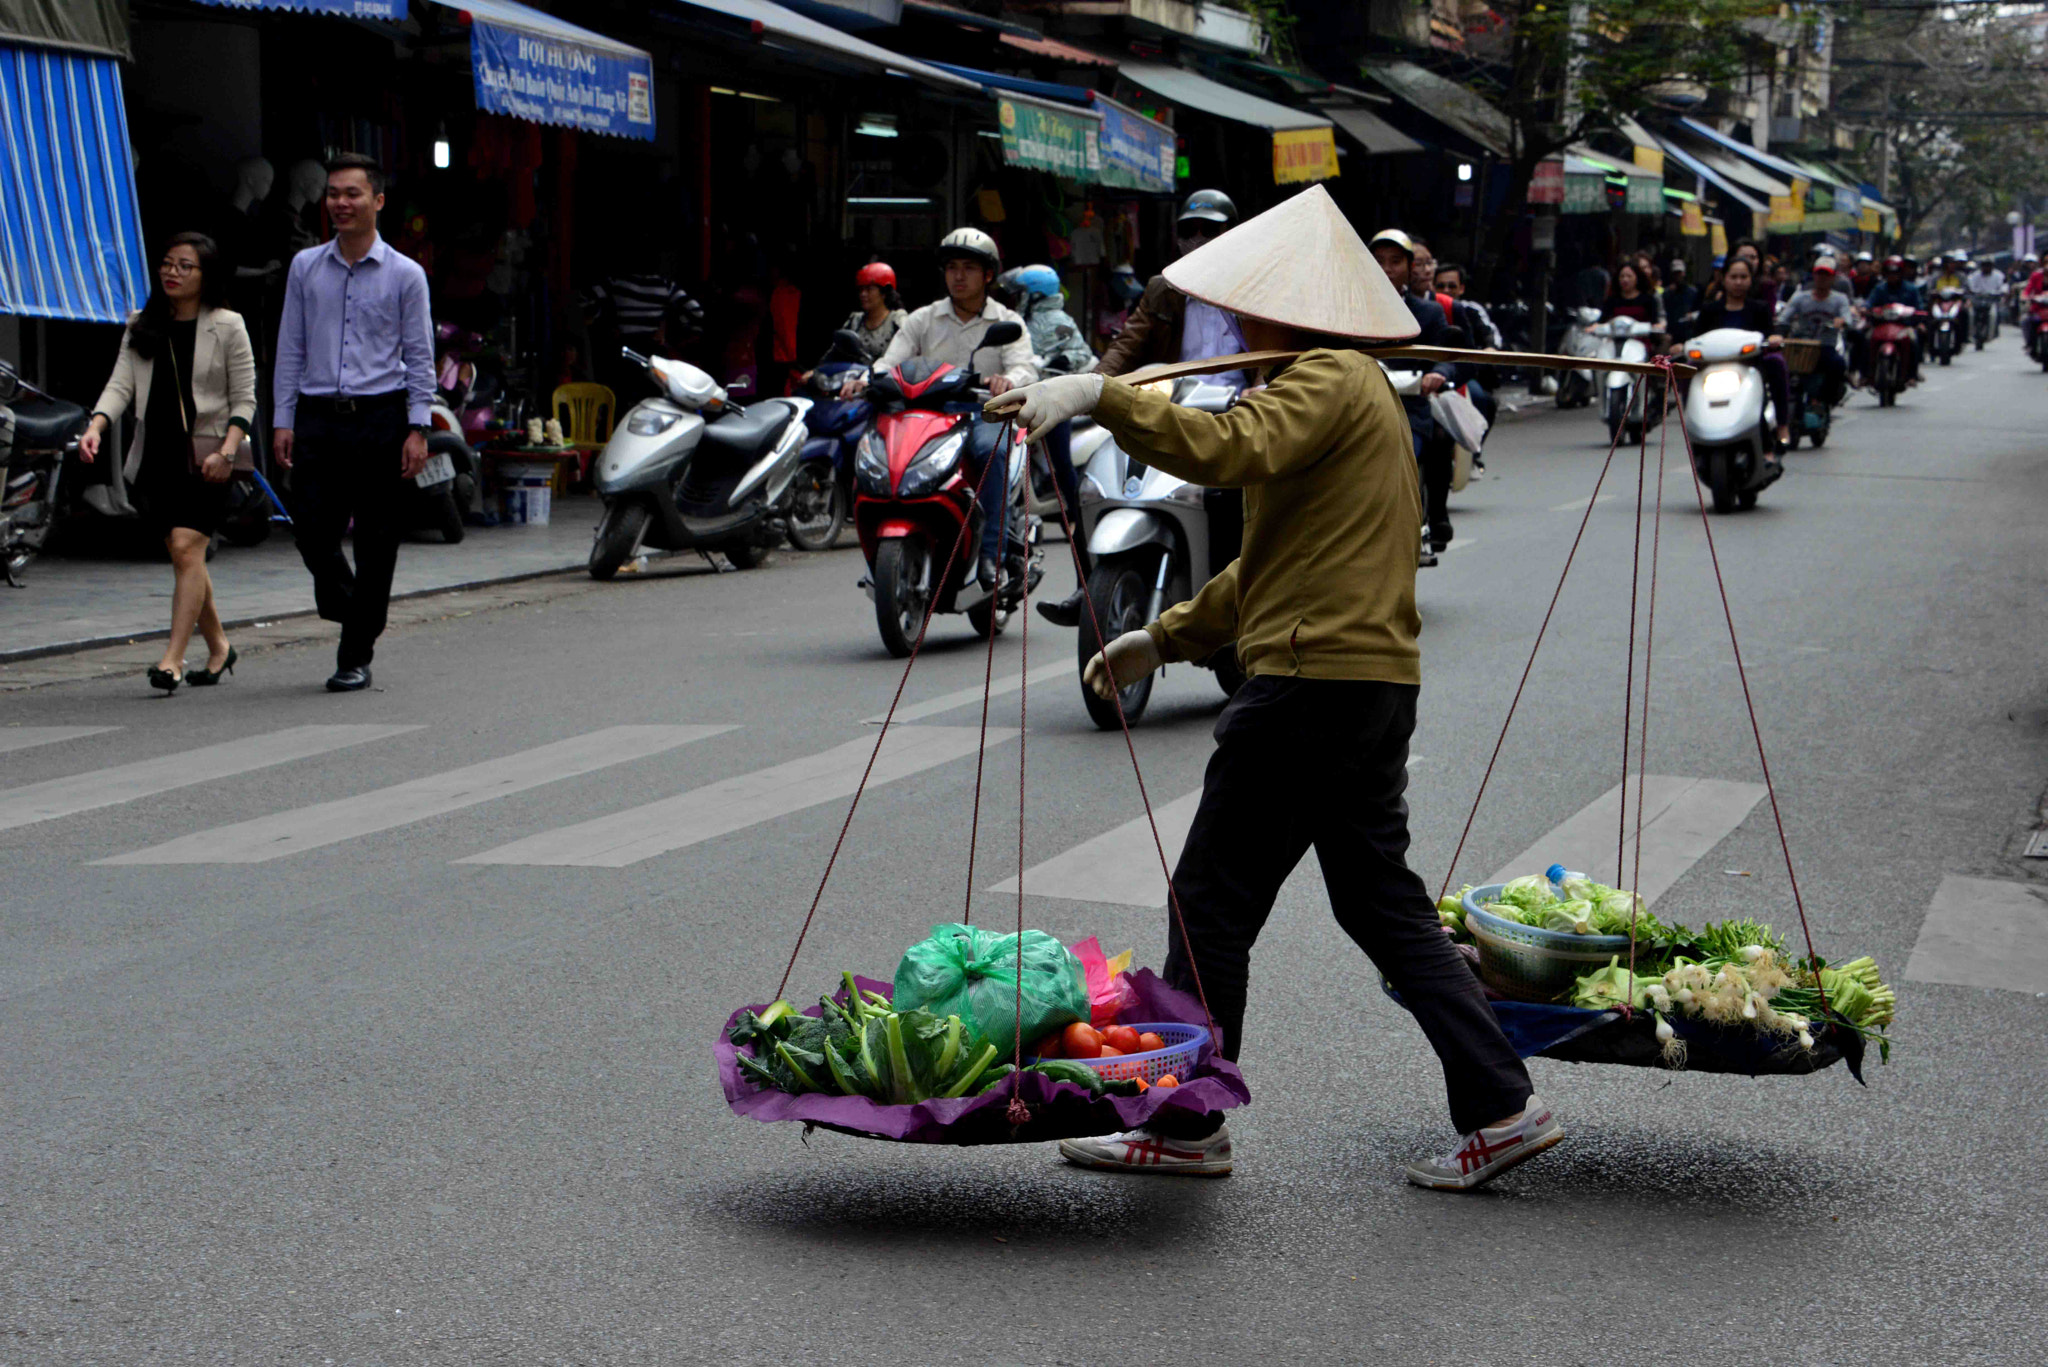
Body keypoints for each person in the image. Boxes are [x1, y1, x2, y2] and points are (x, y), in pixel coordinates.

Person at [985, 185, 1556, 1190]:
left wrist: (1100, 396)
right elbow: (1264, 568)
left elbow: (1221, 447)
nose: (1235, 324)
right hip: (1363, 686)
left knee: (1207, 901)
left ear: (1291, 308)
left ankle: (1185, 1118)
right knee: (1381, 905)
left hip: (1306, 687)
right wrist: (1156, 639)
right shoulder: (1344, 389)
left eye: (1250, 305)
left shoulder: (1326, 376)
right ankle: (1500, 1102)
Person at [272, 153, 436, 693]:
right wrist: (283, 418)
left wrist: (418, 428)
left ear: (378, 201)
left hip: (381, 419)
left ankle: (354, 653)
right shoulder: (305, 267)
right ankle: (358, 612)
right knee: (311, 533)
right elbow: (290, 346)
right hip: (318, 418)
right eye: (334, 194)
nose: (340, 203)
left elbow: (419, 354)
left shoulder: (406, 275)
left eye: (352, 194)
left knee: (376, 539)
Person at [78, 233, 256, 694]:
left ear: (206, 275)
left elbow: (245, 399)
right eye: (167, 264)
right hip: (156, 457)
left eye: (185, 266)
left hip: (208, 457)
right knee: (187, 558)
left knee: (184, 546)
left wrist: (229, 449)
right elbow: (120, 386)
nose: (172, 272)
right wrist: (96, 426)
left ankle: (172, 660)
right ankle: (219, 646)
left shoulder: (228, 325)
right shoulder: (142, 324)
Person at [859, 227, 1037, 590]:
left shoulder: (1007, 321)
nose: (958, 276)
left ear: (988, 275)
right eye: (952, 267)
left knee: (992, 453)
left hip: (984, 415)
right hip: (929, 417)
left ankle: (992, 556)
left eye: (969, 268)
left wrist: (1008, 380)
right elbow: (888, 363)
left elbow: (1025, 367)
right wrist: (865, 380)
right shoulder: (921, 319)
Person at [988, 264, 1103, 627]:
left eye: (1020, 292)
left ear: (1033, 294)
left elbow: (1084, 358)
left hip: (1049, 407)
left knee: (1063, 476)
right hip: (1010, 405)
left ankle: (1072, 507)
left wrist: (1055, 365)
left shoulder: (1055, 320)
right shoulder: (1013, 320)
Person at [1369, 228, 1469, 563]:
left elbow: (1447, 357)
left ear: (1410, 267)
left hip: (1409, 409)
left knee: (1406, 454)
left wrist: (1439, 373)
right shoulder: (1352, 309)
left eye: (1395, 262)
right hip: (1359, 409)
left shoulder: (1427, 314)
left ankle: (1421, 520)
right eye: (1378, 261)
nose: (1386, 269)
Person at [1096, 190, 1248, 390]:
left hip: (1239, 408)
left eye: (1209, 229)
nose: (1197, 239)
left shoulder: (1251, 291)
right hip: (1177, 406)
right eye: (1188, 230)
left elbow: (1271, 357)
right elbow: (1126, 346)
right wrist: (1092, 385)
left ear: (1230, 232)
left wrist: (1260, 392)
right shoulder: (1162, 290)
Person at [1675, 255, 1792, 452]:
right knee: (1688, 369)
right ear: (1724, 279)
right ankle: (1691, 422)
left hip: (1751, 366)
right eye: (1734, 277)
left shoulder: (1760, 308)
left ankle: (1782, 425)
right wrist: (1681, 346)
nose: (1738, 282)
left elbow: (1770, 334)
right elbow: (1696, 337)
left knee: (1776, 363)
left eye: (1743, 277)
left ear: (1750, 279)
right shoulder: (1710, 310)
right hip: (1712, 366)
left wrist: (1773, 339)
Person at [811, 262, 905, 385]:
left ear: (884, 292)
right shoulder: (855, 320)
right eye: (861, 289)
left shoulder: (897, 320)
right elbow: (834, 351)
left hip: (886, 387)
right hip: (852, 385)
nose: (863, 294)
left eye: (869, 289)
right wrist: (816, 372)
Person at [1774, 258, 1853, 405]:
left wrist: (1840, 321)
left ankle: (1827, 399)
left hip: (1825, 347)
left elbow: (1847, 318)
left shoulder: (1839, 299)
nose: (1822, 278)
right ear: (1814, 275)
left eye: (1826, 275)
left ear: (1833, 278)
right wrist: (1779, 331)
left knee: (1839, 364)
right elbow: (1783, 318)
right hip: (1801, 347)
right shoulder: (1800, 298)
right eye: (1819, 274)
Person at [1863, 255, 1927, 385]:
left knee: (1914, 340)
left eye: (1896, 272)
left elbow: (1919, 307)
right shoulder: (1880, 288)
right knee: (1866, 339)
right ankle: (1865, 374)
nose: (1893, 276)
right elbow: (1869, 303)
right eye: (1890, 273)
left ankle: (1912, 375)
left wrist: (1919, 317)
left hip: (1904, 326)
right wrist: (1865, 309)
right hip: (1881, 325)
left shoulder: (1911, 289)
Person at [1601, 261, 1666, 334]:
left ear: (1637, 278)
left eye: (1629, 276)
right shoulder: (1612, 300)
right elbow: (1602, 322)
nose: (1625, 280)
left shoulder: (1648, 299)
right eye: (1622, 276)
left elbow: (1655, 324)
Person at [1661, 259, 1699, 331]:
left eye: (1679, 273)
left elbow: (1699, 311)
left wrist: (1692, 315)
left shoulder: (1693, 292)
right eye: (1675, 273)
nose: (1678, 276)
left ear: (1684, 273)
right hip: (1672, 330)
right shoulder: (1666, 294)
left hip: (1689, 330)